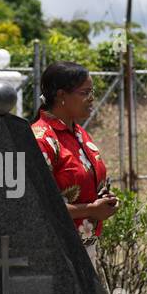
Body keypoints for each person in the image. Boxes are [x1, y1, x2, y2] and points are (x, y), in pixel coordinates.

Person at [31, 61, 118, 267]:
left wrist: (105, 201)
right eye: (85, 92)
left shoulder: (79, 133)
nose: (91, 98)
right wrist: (90, 210)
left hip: (86, 246)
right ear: (61, 95)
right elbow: (36, 204)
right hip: (56, 252)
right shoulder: (41, 139)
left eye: (92, 91)